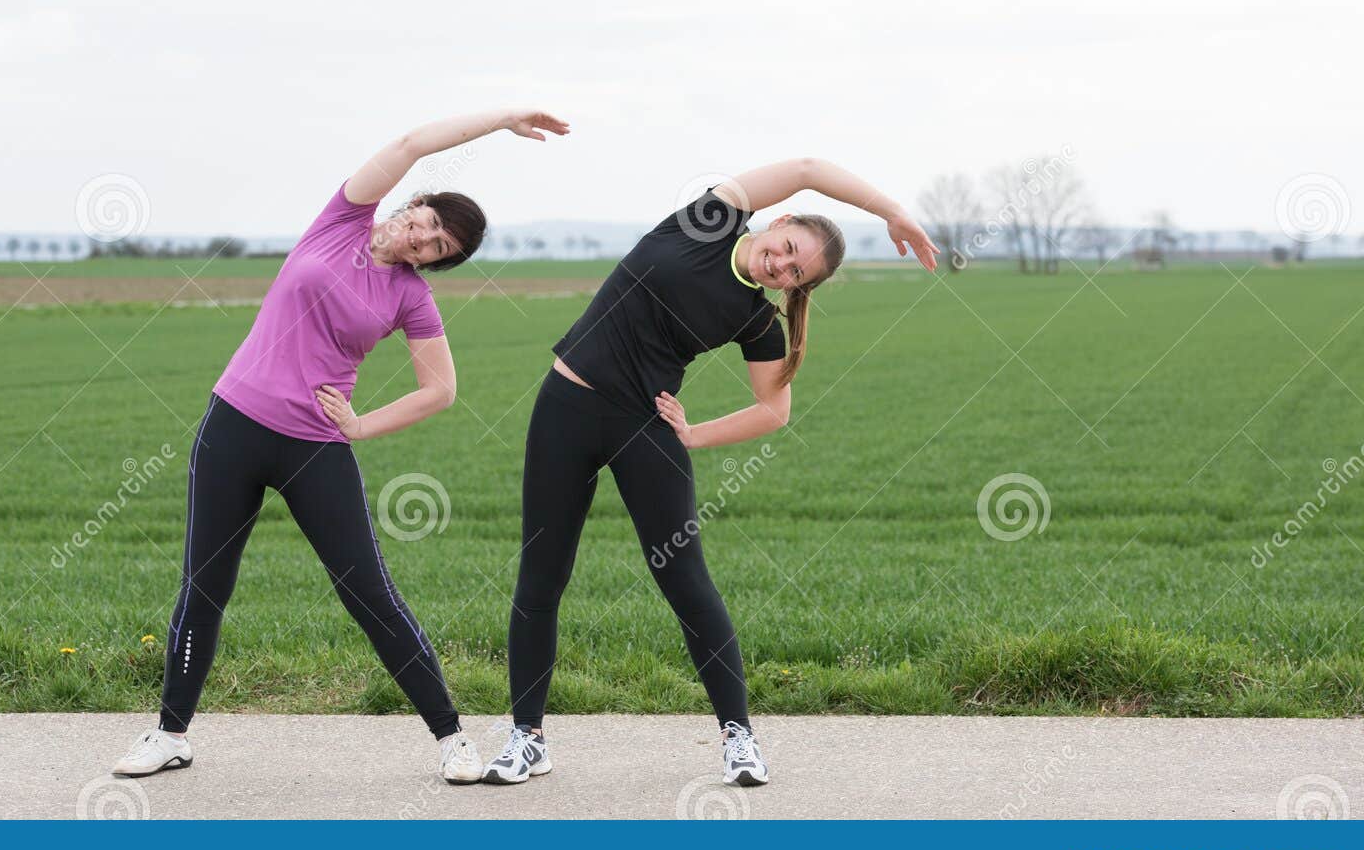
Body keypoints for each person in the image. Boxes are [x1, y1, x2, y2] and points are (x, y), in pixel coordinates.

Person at [112, 108, 570, 784]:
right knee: (204, 587)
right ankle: (170, 733)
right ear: (414, 205)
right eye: (428, 223)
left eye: (439, 247)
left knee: (368, 592)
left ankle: (451, 738)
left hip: (315, 447)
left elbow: (441, 389)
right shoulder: (341, 221)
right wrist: (502, 119)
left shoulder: (410, 298)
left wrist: (361, 425)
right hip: (233, 426)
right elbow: (412, 143)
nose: (424, 240)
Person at [482, 157, 938, 787]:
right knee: (541, 576)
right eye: (786, 249)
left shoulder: (756, 318)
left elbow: (774, 410)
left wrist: (694, 435)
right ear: (775, 223)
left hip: (645, 428)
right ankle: (526, 738)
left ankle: (738, 738)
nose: (780, 265)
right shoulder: (708, 220)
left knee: (686, 581)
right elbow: (806, 166)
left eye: (795, 272)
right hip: (566, 408)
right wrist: (892, 211)